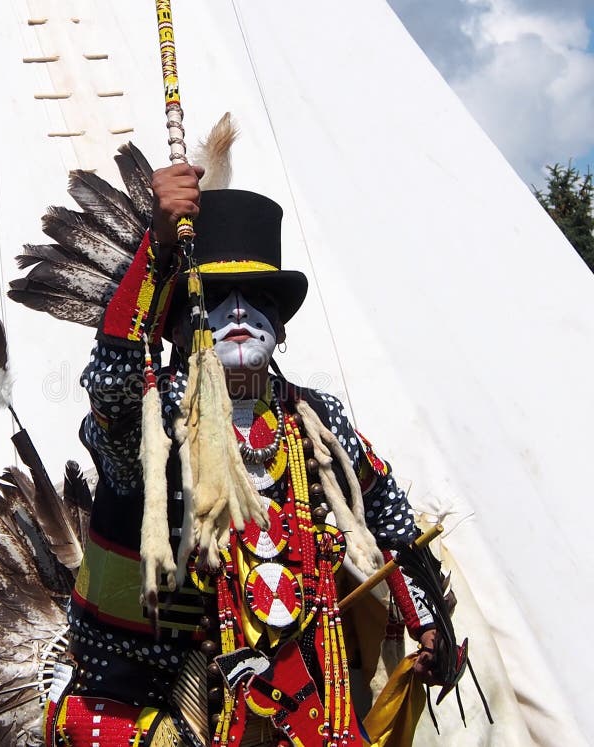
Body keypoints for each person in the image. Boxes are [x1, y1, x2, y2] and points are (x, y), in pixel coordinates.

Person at [47, 164, 442, 746]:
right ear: (179, 328)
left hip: (301, 688)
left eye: (256, 299)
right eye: (215, 298)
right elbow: (112, 388)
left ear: (278, 327)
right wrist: (157, 246)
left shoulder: (314, 419)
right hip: (158, 688)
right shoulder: (160, 413)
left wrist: (427, 618)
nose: (236, 313)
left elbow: (382, 506)